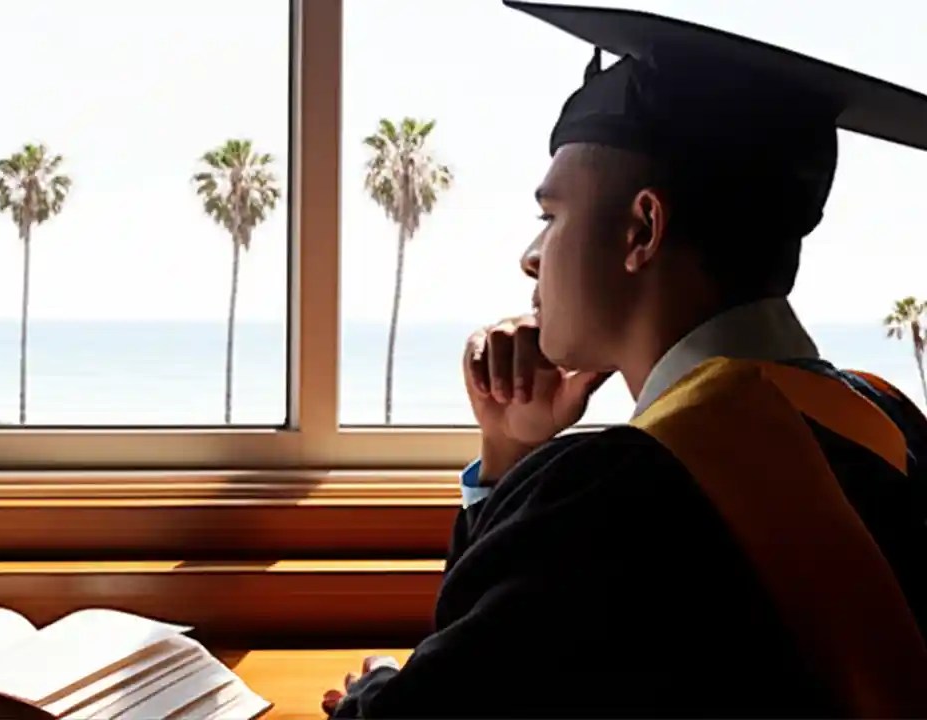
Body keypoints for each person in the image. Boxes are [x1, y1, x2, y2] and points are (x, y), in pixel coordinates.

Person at [321, 2, 927, 717]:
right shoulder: (886, 415)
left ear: (642, 228)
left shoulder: (610, 496)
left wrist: (375, 691)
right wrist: (511, 448)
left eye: (551, 216)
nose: (530, 256)